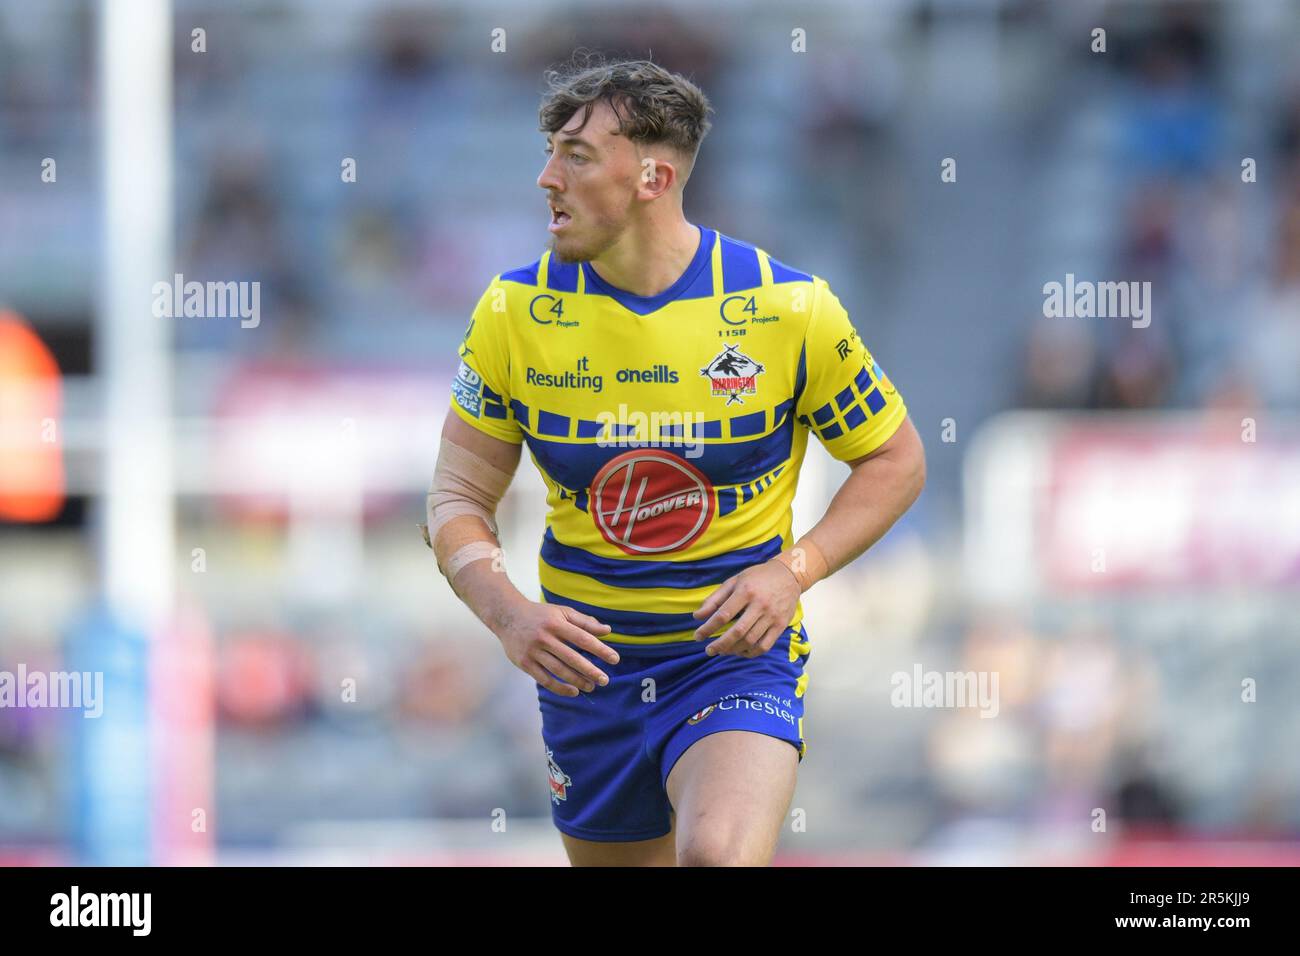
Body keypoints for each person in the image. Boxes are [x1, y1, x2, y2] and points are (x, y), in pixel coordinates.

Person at [422, 56, 925, 866]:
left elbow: (895, 461)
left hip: (729, 658)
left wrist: (794, 570)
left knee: (716, 855)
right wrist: (509, 614)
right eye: (551, 151)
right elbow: (455, 495)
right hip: (589, 675)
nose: (548, 177)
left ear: (653, 176)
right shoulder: (514, 311)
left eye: (577, 155)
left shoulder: (786, 308)